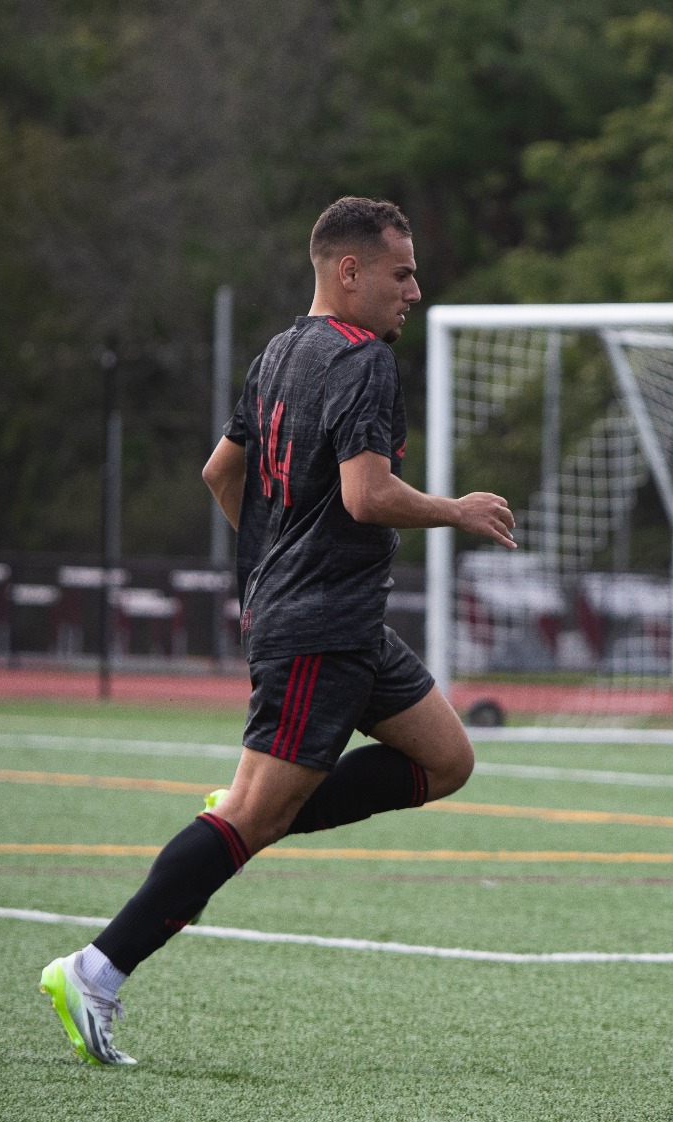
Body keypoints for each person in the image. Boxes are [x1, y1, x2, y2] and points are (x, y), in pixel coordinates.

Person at [38, 197, 517, 1066]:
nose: (415, 289)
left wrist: (270, 557)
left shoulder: (279, 351)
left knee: (445, 758)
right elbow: (367, 496)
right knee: (254, 814)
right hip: (319, 625)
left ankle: (256, 811)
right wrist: (457, 509)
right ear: (350, 272)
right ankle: (97, 969)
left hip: (342, 621)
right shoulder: (364, 360)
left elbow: (222, 470)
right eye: (401, 272)